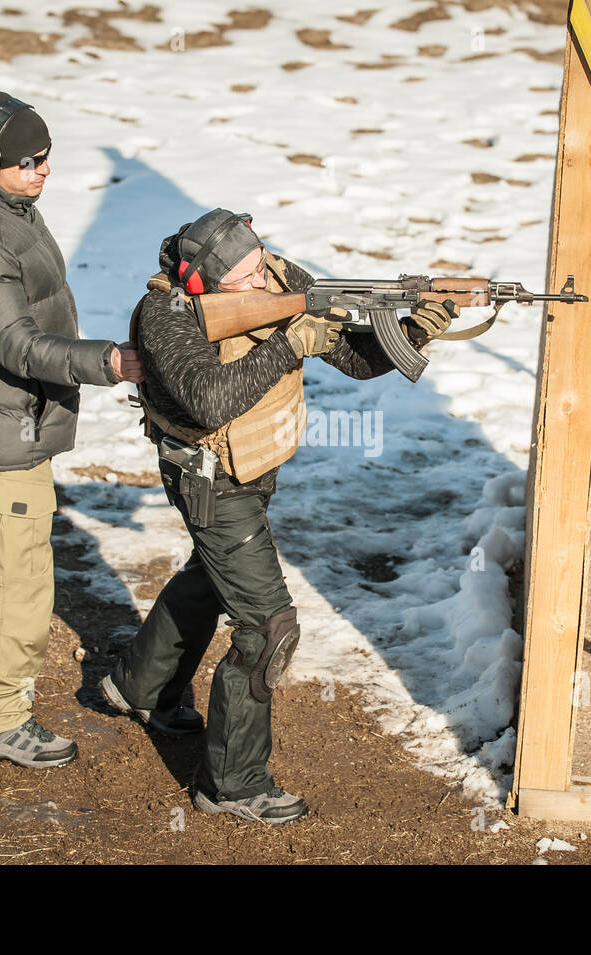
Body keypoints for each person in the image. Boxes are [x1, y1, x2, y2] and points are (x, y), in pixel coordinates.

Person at [98, 209, 457, 822]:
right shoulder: (167, 315)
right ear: (199, 283)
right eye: (243, 278)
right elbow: (210, 402)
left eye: (261, 263)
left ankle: (142, 685)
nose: (260, 280)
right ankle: (232, 784)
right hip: (208, 475)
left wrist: (416, 325)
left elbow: (354, 358)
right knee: (269, 626)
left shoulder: (276, 277)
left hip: (254, 465)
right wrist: (290, 339)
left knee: (213, 576)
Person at [0, 90, 144, 769]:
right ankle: (0, 720)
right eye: (32, 162)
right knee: (18, 584)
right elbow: (14, 343)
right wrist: (107, 362)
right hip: (0, 429)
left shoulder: (2, 207)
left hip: (3, 422)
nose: (45, 172)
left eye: (48, 159)